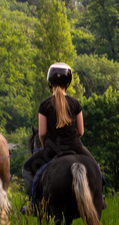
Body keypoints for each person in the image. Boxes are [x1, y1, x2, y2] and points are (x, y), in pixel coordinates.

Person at [21, 62, 104, 210]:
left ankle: (34, 203)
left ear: (49, 82)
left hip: (52, 149)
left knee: (27, 168)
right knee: (96, 169)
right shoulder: (75, 103)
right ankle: (100, 198)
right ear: (68, 82)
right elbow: (80, 131)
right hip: (75, 146)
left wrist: (44, 144)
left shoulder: (44, 105)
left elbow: (42, 133)